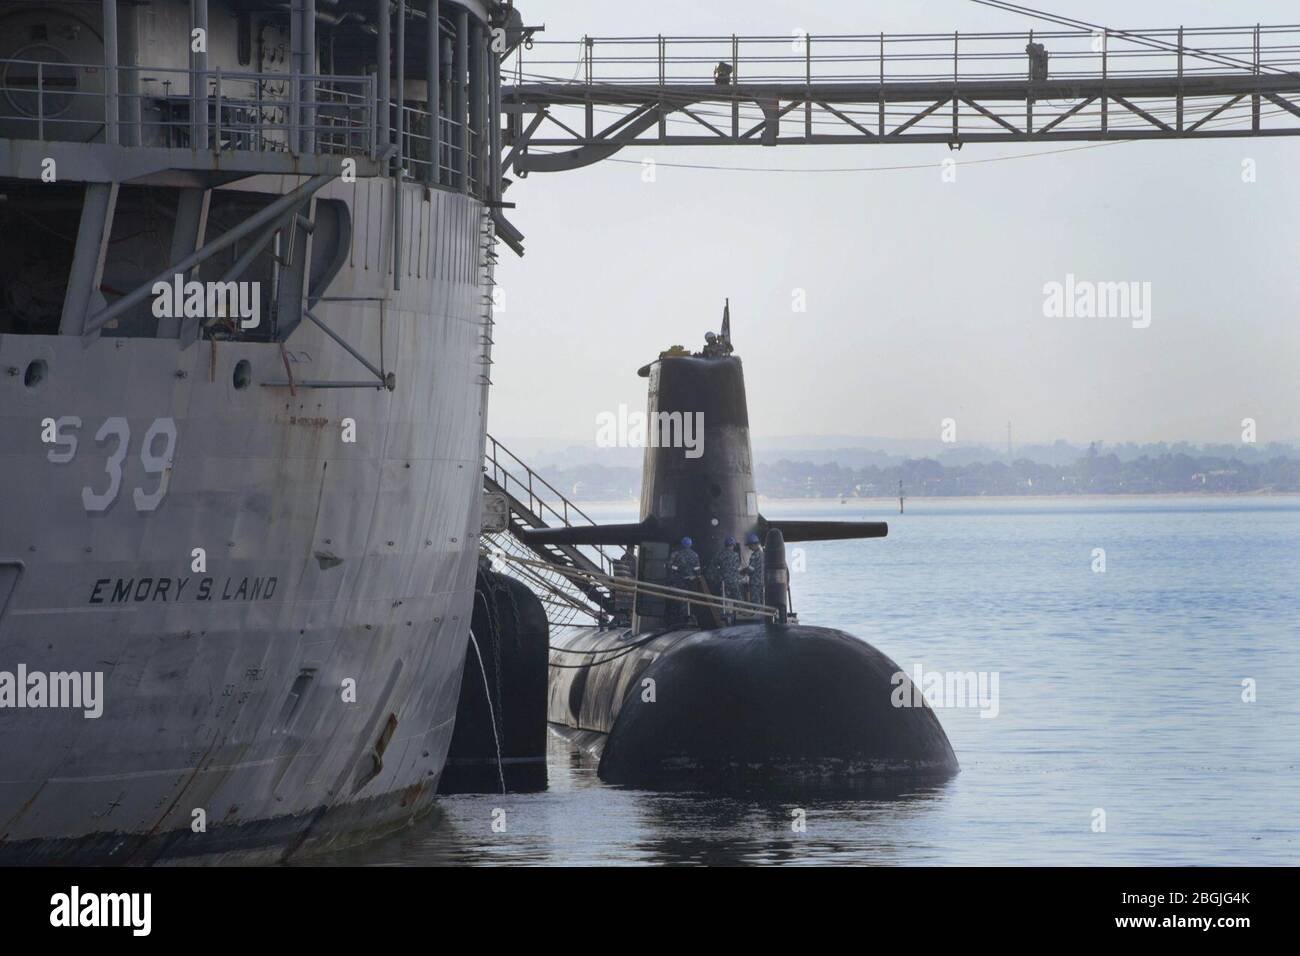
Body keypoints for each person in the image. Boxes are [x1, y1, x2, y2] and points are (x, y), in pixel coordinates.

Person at [706, 535, 742, 622]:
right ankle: (740, 613)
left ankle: (724, 614)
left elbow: (713, 566)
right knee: (737, 597)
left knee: (724, 597)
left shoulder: (719, 554)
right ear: (733, 545)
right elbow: (737, 567)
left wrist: (716, 576)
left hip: (723, 581)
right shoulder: (735, 555)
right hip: (734, 580)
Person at [667, 536, 701, 623]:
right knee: (691, 598)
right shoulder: (695, 555)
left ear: (682, 544)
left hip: (680, 579)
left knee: (680, 598)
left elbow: (671, 567)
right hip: (691, 580)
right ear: (690, 545)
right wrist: (697, 576)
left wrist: (675, 572)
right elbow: (697, 568)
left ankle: (682, 618)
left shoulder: (676, 554)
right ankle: (691, 616)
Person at [742, 532, 765, 608]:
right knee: (762, 600)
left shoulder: (755, 555)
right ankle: (762, 615)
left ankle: (757, 616)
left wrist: (741, 572)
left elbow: (751, 569)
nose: (749, 548)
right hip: (762, 581)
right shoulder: (762, 554)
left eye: (750, 545)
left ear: (754, 544)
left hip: (755, 582)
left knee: (755, 601)